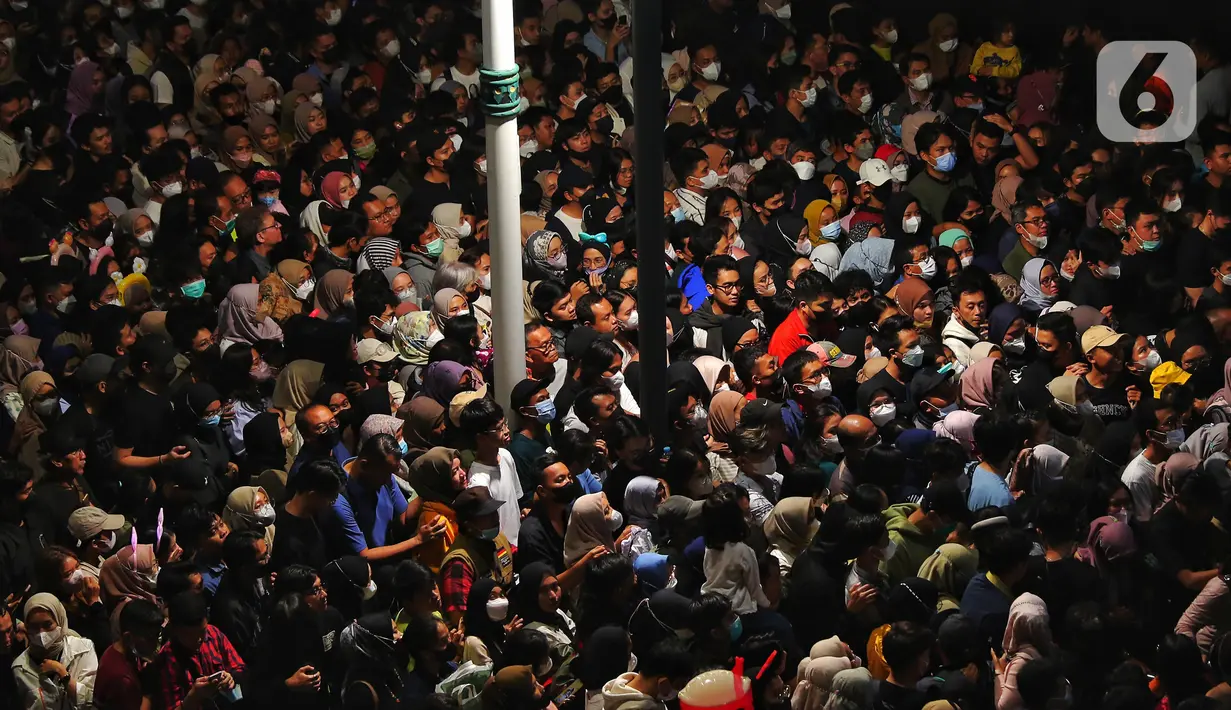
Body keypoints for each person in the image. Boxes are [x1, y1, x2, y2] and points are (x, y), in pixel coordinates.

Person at [12, 593, 98, 710]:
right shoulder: (19, 668)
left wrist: (62, 674)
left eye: (48, 625)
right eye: (34, 626)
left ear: (60, 621)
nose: (41, 633)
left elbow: (92, 700)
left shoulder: (83, 649)